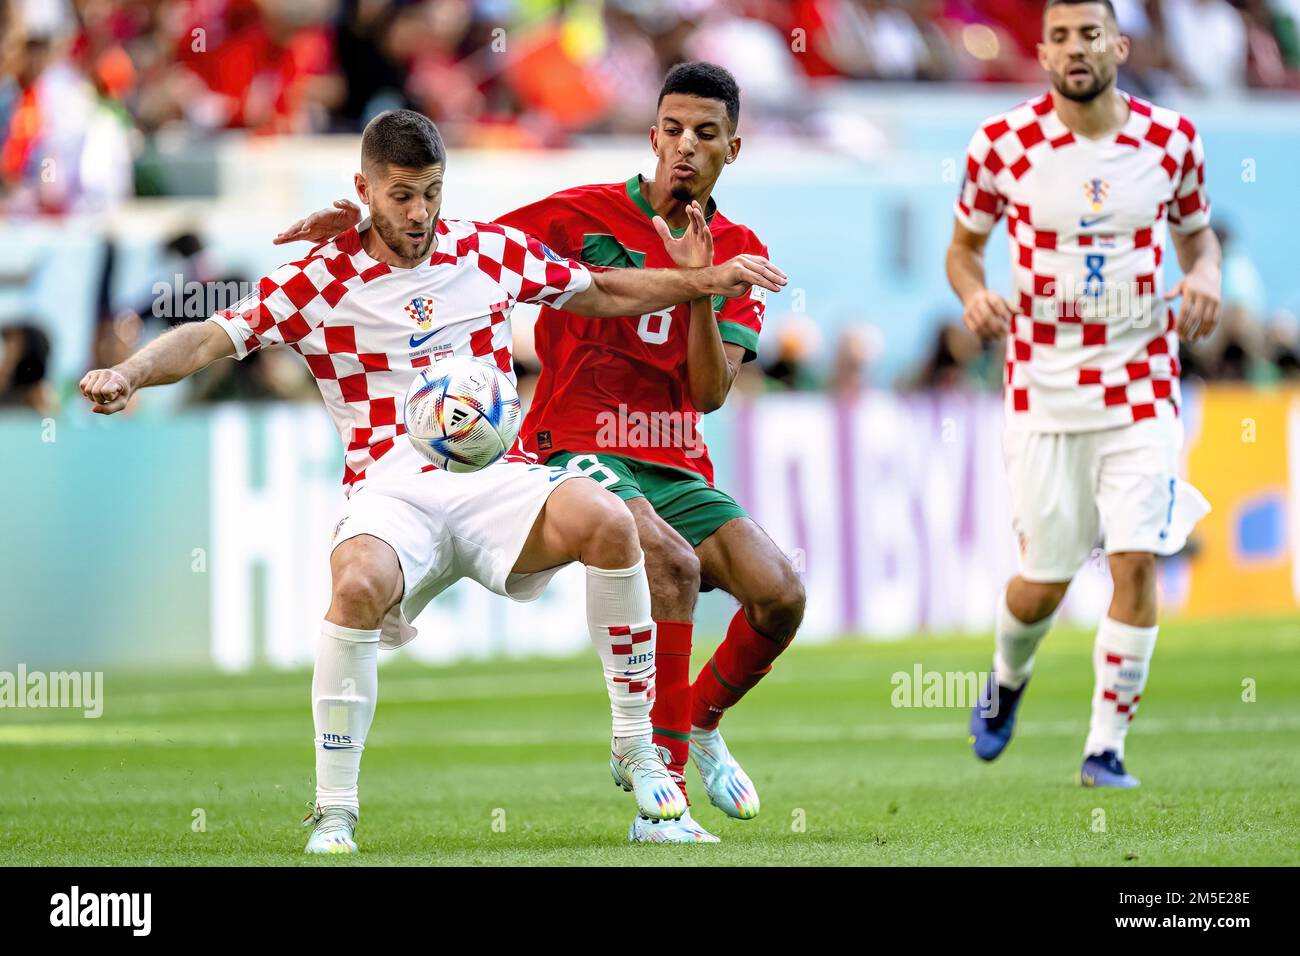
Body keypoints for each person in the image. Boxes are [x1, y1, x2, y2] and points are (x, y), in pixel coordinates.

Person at [79, 108, 787, 854]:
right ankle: (335, 811)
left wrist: (706, 280)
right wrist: (129, 373)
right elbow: (212, 336)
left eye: (430, 193)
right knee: (353, 587)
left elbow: (604, 291)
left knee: (611, 523)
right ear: (365, 188)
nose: (418, 214)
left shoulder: (486, 252)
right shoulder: (321, 277)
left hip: (494, 480)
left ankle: (635, 747)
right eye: (400, 196)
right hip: (392, 490)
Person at [276, 63, 806, 844]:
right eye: (672, 128)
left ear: (734, 145)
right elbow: (441, 239)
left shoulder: (740, 254)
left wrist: (698, 286)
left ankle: (695, 723)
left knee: (781, 596)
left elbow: (708, 394)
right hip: (573, 439)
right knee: (672, 566)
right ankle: (660, 804)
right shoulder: (575, 215)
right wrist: (357, 230)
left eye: (705, 133)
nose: (685, 146)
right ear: (651, 133)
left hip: (671, 449)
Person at [944, 0, 1221, 788]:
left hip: (1141, 384)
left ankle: (1105, 750)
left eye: (1089, 34)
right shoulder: (1001, 144)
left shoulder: (1172, 140)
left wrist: (1202, 274)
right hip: (1042, 389)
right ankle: (1005, 681)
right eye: (1060, 36)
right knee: (1046, 581)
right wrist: (973, 296)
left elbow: (1198, 236)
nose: (1075, 49)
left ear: (1118, 44)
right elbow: (964, 249)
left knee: (1137, 559)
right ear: (1042, 52)